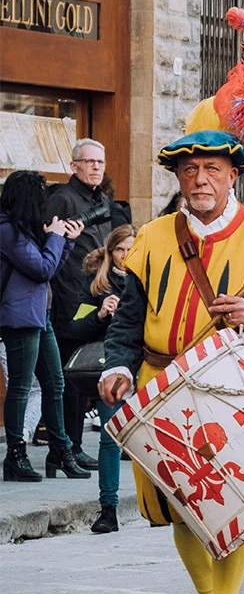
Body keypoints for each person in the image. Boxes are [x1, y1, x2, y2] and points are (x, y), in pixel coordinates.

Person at [98, 130, 244, 594]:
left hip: (226, 385)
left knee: (226, 502)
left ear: (234, 175)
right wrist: (117, 366)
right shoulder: (154, 236)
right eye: (189, 171)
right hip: (157, 383)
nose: (199, 180)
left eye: (211, 169)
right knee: (180, 507)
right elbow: (128, 320)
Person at [47, 138, 132, 471]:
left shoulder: (102, 201)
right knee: (72, 378)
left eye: (101, 161)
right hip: (73, 298)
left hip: (99, 293)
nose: (97, 166)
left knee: (91, 374)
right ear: (74, 165)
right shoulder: (62, 198)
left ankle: (75, 446)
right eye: (90, 161)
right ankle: (68, 448)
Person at [2, 171, 85, 482]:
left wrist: (66, 242)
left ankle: (60, 451)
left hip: (40, 313)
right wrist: (56, 237)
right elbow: (41, 269)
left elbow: (48, 271)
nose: (45, 201)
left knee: (56, 384)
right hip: (20, 318)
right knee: (21, 388)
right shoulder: (8, 231)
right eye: (40, 194)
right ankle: (15, 455)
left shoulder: (25, 230)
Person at [67, 224, 135, 529]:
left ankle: (160, 502)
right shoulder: (97, 285)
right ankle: (108, 509)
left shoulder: (146, 280)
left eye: (130, 248)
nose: (125, 255)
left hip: (145, 365)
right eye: (119, 249)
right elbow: (75, 328)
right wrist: (100, 313)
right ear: (110, 252)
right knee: (110, 438)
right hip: (113, 366)